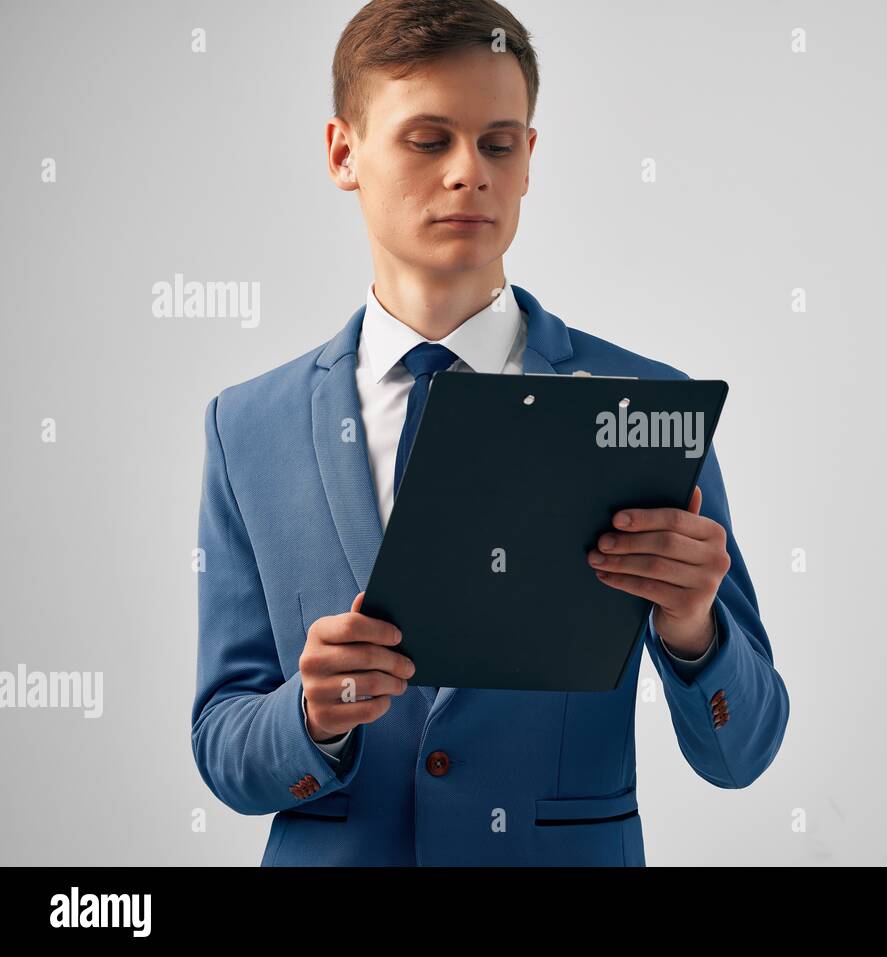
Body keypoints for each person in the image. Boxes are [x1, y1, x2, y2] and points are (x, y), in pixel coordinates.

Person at [191, 0, 789, 866]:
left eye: (498, 142)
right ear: (342, 153)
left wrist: (694, 628)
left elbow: (743, 752)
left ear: (529, 159)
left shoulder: (642, 404)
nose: (470, 171)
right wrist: (308, 718)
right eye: (429, 139)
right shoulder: (249, 426)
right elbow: (222, 745)